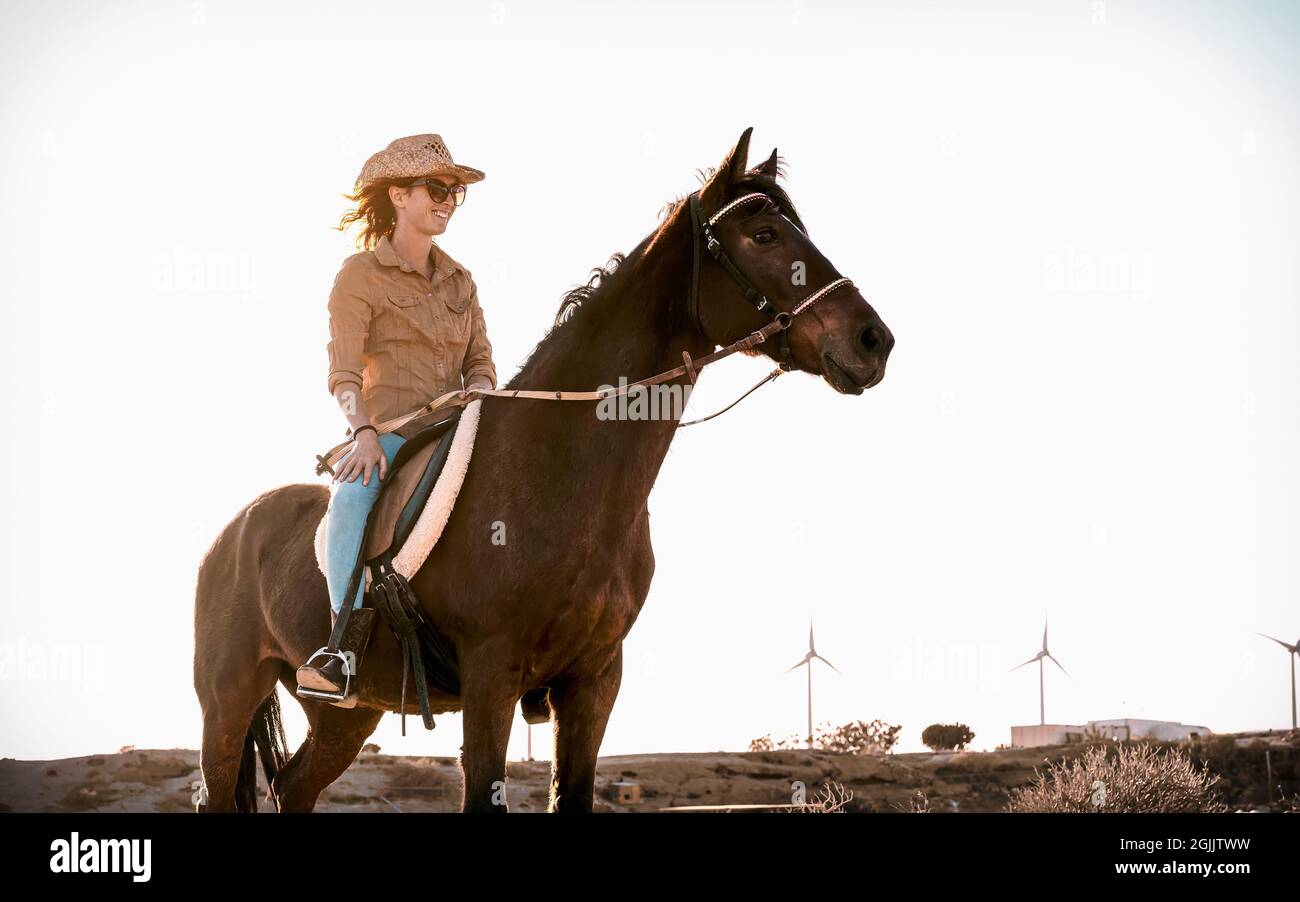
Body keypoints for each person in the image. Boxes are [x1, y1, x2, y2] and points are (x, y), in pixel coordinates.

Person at [295, 134, 498, 703]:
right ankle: (342, 648)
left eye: (455, 192)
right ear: (399, 195)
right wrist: (362, 433)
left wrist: (480, 392)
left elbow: (482, 362)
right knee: (351, 498)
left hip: (464, 426)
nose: (449, 201)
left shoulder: (462, 279)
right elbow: (343, 374)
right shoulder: (359, 275)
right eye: (438, 189)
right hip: (387, 435)